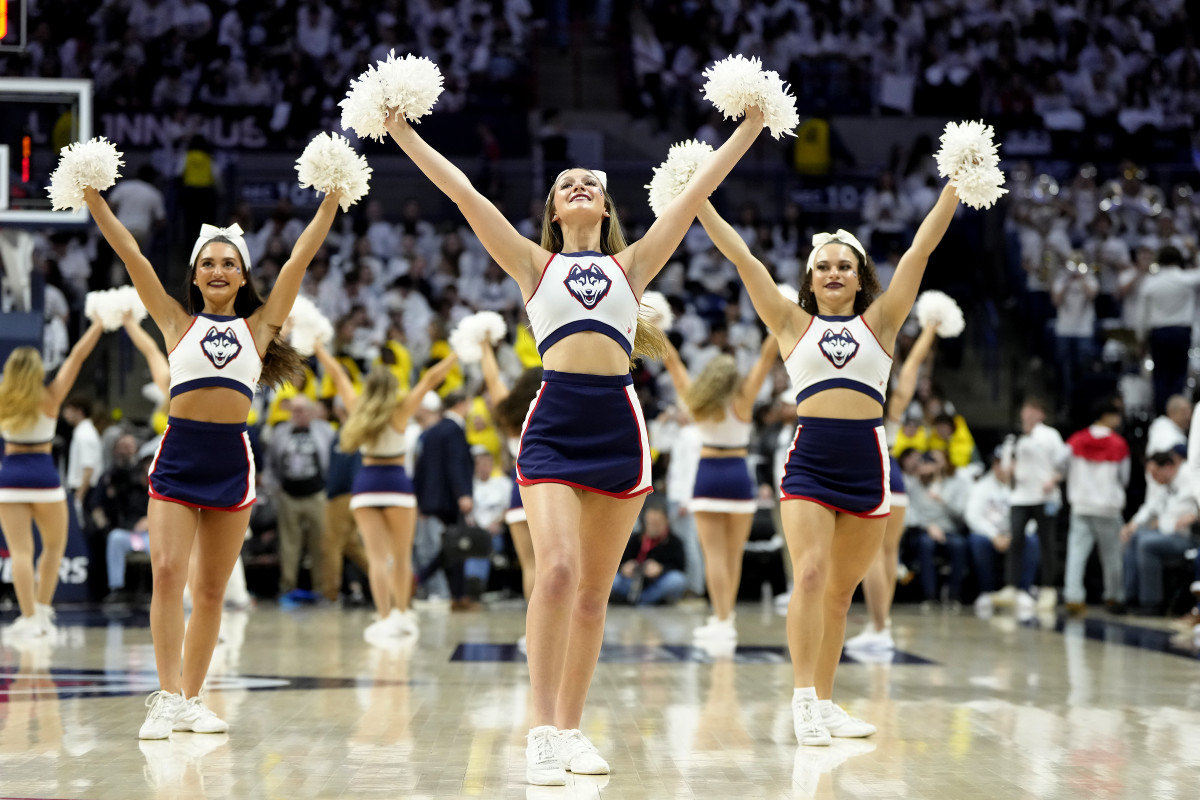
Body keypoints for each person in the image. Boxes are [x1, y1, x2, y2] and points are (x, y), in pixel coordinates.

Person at [383, 88, 765, 783]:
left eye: (591, 182)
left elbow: (700, 187)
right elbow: (465, 194)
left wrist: (750, 126)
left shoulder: (635, 264)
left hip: (618, 420)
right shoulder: (534, 264)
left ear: (607, 208)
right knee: (554, 570)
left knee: (594, 591)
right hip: (556, 418)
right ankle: (538, 731)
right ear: (555, 210)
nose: (581, 185)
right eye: (567, 184)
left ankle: (570, 727)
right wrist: (401, 133)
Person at [694, 173, 962, 746]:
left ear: (861, 277)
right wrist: (698, 200)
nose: (833, 273)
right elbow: (742, 257)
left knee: (842, 594)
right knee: (810, 575)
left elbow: (919, 248)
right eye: (823, 266)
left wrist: (954, 187)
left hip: (869, 463)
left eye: (844, 266)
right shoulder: (792, 323)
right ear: (809, 280)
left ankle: (827, 699)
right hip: (809, 462)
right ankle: (803, 700)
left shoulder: (882, 322)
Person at [82, 171, 342, 739]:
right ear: (195, 276)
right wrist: (93, 198)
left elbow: (300, 258)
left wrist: (330, 200)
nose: (218, 270)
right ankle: (166, 696)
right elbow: (131, 254)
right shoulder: (176, 320)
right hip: (178, 456)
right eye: (208, 263)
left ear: (243, 275)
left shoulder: (261, 326)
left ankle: (193, 698)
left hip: (232, 459)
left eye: (229, 263)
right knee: (168, 573)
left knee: (209, 590)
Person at [314, 339, 458, 641]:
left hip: (365, 486)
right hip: (396, 485)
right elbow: (431, 378)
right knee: (402, 556)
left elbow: (338, 374)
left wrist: (318, 346)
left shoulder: (356, 408)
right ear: (393, 387)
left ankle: (383, 618)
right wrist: (459, 352)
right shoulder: (401, 410)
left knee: (377, 559)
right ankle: (402, 615)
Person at [660, 335, 778, 642]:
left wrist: (658, 326)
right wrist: (780, 325)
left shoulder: (697, 402)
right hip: (739, 477)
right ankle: (727, 619)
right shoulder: (744, 399)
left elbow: (672, 361)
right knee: (733, 555)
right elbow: (766, 359)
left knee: (713, 556)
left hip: (710, 476)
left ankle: (721, 620)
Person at [0, 320, 103, 640]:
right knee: (54, 548)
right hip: (44, 478)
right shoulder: (52, 394)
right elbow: (77, 355)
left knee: (20, 552)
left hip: (10, 480)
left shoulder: (4, 399)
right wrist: (99, 323)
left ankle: (29, 618)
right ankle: (42, 613)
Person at [846, 314, 940, 651]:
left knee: (873, 555)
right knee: (888, 554)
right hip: (894, 475)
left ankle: (878, 626)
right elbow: (912, 366)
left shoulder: (858, 395)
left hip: (870, 471)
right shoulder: (894, 401)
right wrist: (929, 330)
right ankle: (881, 627)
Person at [479, 338, 543, 609]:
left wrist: (484, 346)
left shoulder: (510, 416)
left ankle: (534, 634)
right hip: (556, 490)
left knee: (531, 566)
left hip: (521, 493)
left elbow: (492, 380)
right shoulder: (555, 412)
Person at [1062, 396, 1130, 615]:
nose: (1119, 420)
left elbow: (1061, 466)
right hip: (1107, 508)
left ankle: (1073, 596)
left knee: (1076, 554)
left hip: (1081, 505)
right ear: (1106, 416)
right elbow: (1124, 478)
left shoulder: (1076, 440)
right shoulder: (1118, 444)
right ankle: (1114, 596)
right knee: (1112, 557)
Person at [1000, 396, 1067, 616]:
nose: (1027, 414)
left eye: (1033, 410)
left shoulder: (1050, 436)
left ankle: (1048, 589)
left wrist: (1054, 480)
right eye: (1025, 409)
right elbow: (1005, 469)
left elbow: (1064, 463)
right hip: (1020, 497)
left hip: (1044, 497)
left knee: (1047, 543)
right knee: (1016, 540)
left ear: (1042, 414)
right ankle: (1011, 586)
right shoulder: (1015, 439)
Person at [266, 395, 334, 598]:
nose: (298, 414)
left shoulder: (325, 431)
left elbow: (332, 460)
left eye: (302, 410)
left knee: (320, 544)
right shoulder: (280, 432)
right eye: (294, 410)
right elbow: (271, 464)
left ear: (311, 412)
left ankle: (320, 589)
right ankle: (288, 587)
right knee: (289, 546)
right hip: (289, 496)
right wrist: (274, 488)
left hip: (317, 495)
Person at [610, 503, 688, 606]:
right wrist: (625, 568)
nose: (653, 526)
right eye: (650, 522)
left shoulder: (674, 542)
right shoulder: (635, 538)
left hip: (656, 584)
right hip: (632, 582)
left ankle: (638, 601)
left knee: (677, 580)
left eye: (657, 523)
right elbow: (618, 562)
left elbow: (680, 568)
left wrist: (661, 569)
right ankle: (641, 601)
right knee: (613, 580)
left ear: (666, 521)